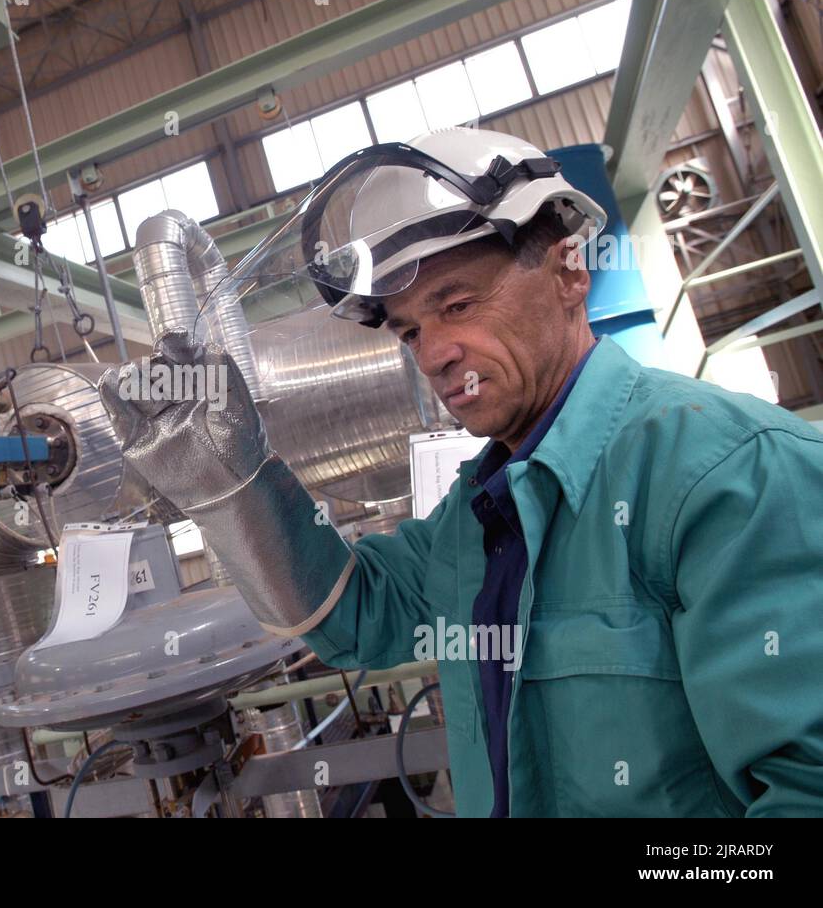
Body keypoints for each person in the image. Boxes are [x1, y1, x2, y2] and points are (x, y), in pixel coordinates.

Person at [100, 128, 823, 817]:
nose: (434, 353)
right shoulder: (479, 511)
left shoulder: (729, 475)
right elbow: (354, 617)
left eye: (458, 304)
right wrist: (232, 487)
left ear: (571, 269)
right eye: (411, 329)